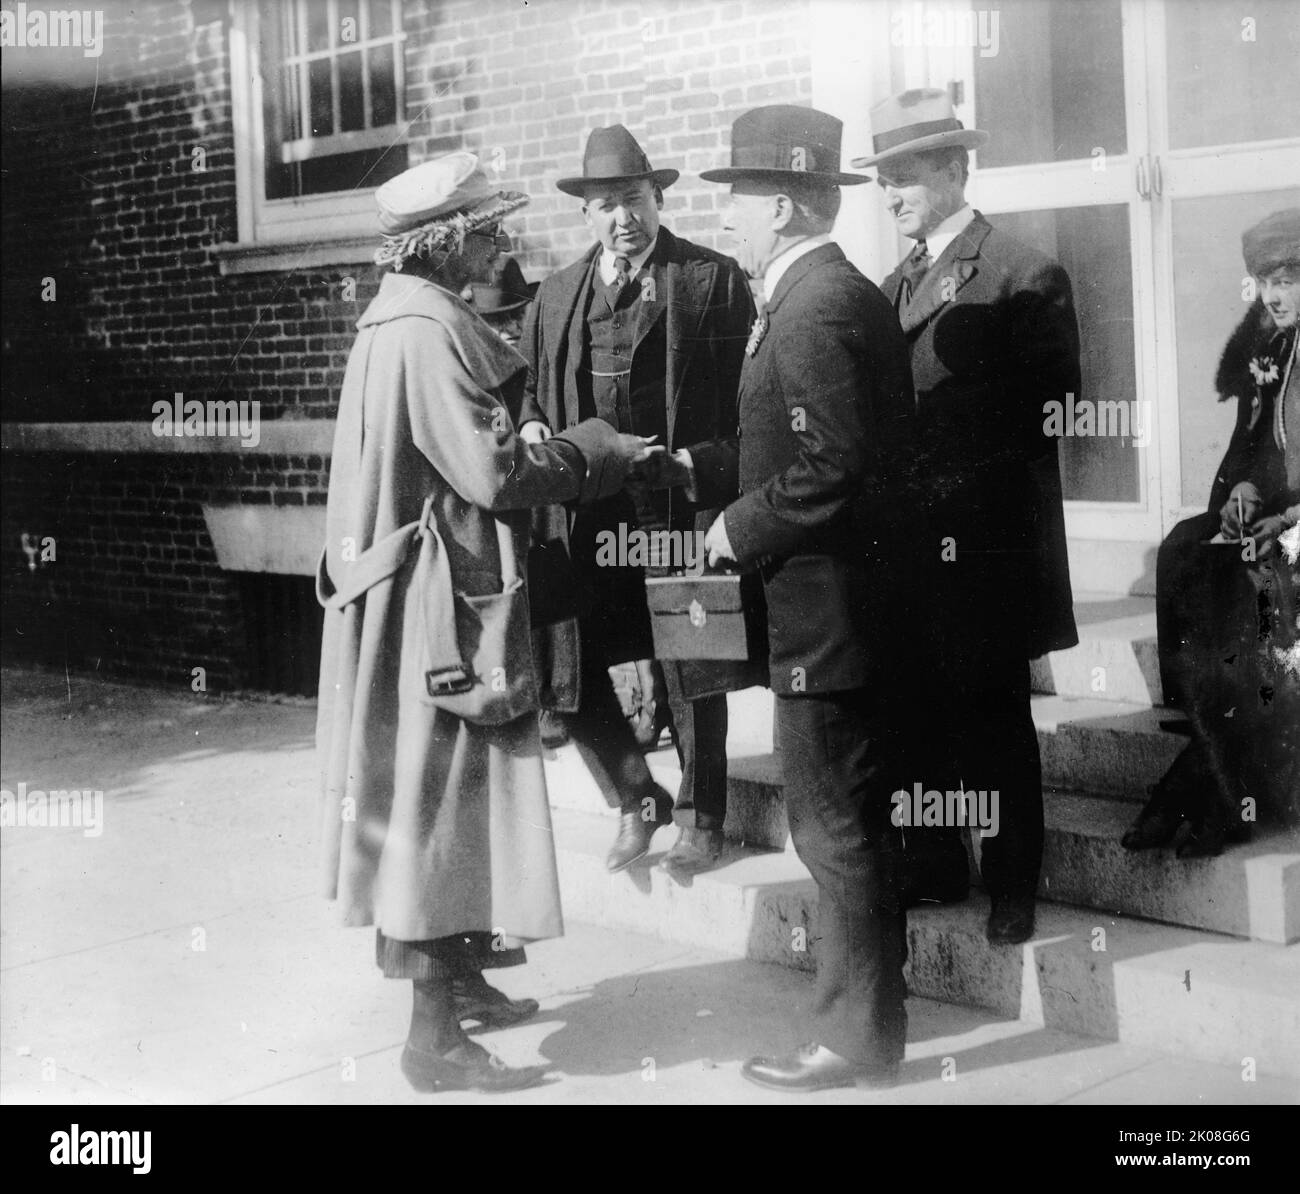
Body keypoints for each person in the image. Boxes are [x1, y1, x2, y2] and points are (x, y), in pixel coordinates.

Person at [315, 152, 652, 1094]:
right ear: (451, 239)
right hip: (438, 621)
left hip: (415, 606)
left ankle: (459, 986)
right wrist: (595, 453)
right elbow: (493, 476)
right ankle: (435, 1044)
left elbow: (461, 452)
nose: (503, 241)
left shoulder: (404, 321)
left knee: (439, 803)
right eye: (490, 228)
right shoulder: (427, 332)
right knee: (439, 808)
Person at [689, 104, 915, 1091]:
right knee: (841, 826)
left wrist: (738, 526)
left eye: (736, 198)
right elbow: (797, 445)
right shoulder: (813, 293)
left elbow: (836, 463)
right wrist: (707, 470)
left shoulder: (816, 303)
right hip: (830, 612)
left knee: (833, 830)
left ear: (778, 202)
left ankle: (856, 1039)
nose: (729, 219)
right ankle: (868, 1023)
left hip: (830, 620)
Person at [854, 88, 1081, 946]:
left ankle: (1014, 880)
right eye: (884, 180)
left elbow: (1055, 409)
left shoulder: (1023, 273)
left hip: (988, 540)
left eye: (907, 174)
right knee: (913, 708)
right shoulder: (888, 286)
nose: (893, 193)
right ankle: (938, 861)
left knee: (993, 713)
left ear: (956, 168)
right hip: (911, 544)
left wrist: (947, 472)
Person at [517, 125, 757, 878]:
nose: (622, 218)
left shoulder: (711, 282)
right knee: (570, 663)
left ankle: (701, 816)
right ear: (585, 216)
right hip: (588, 511)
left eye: (634, 199)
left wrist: (701, 470)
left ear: (659, 198)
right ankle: (635, 794)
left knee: (691, 660)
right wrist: (531, 422)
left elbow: (750, 408)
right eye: (605, 205)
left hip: (675, 503)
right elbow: (529, 386)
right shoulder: (557, 295)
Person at [1124, 210, 1300, 855]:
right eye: (1265, 281)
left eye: (1289, 278)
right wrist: (1246, 495)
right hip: (1285, 518)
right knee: (1186, 547)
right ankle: (1193, 711)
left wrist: (1282, 519)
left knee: (1255, 594)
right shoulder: (1276, 345)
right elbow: (1258, 446)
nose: (1275, 295)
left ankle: (1201, 793)